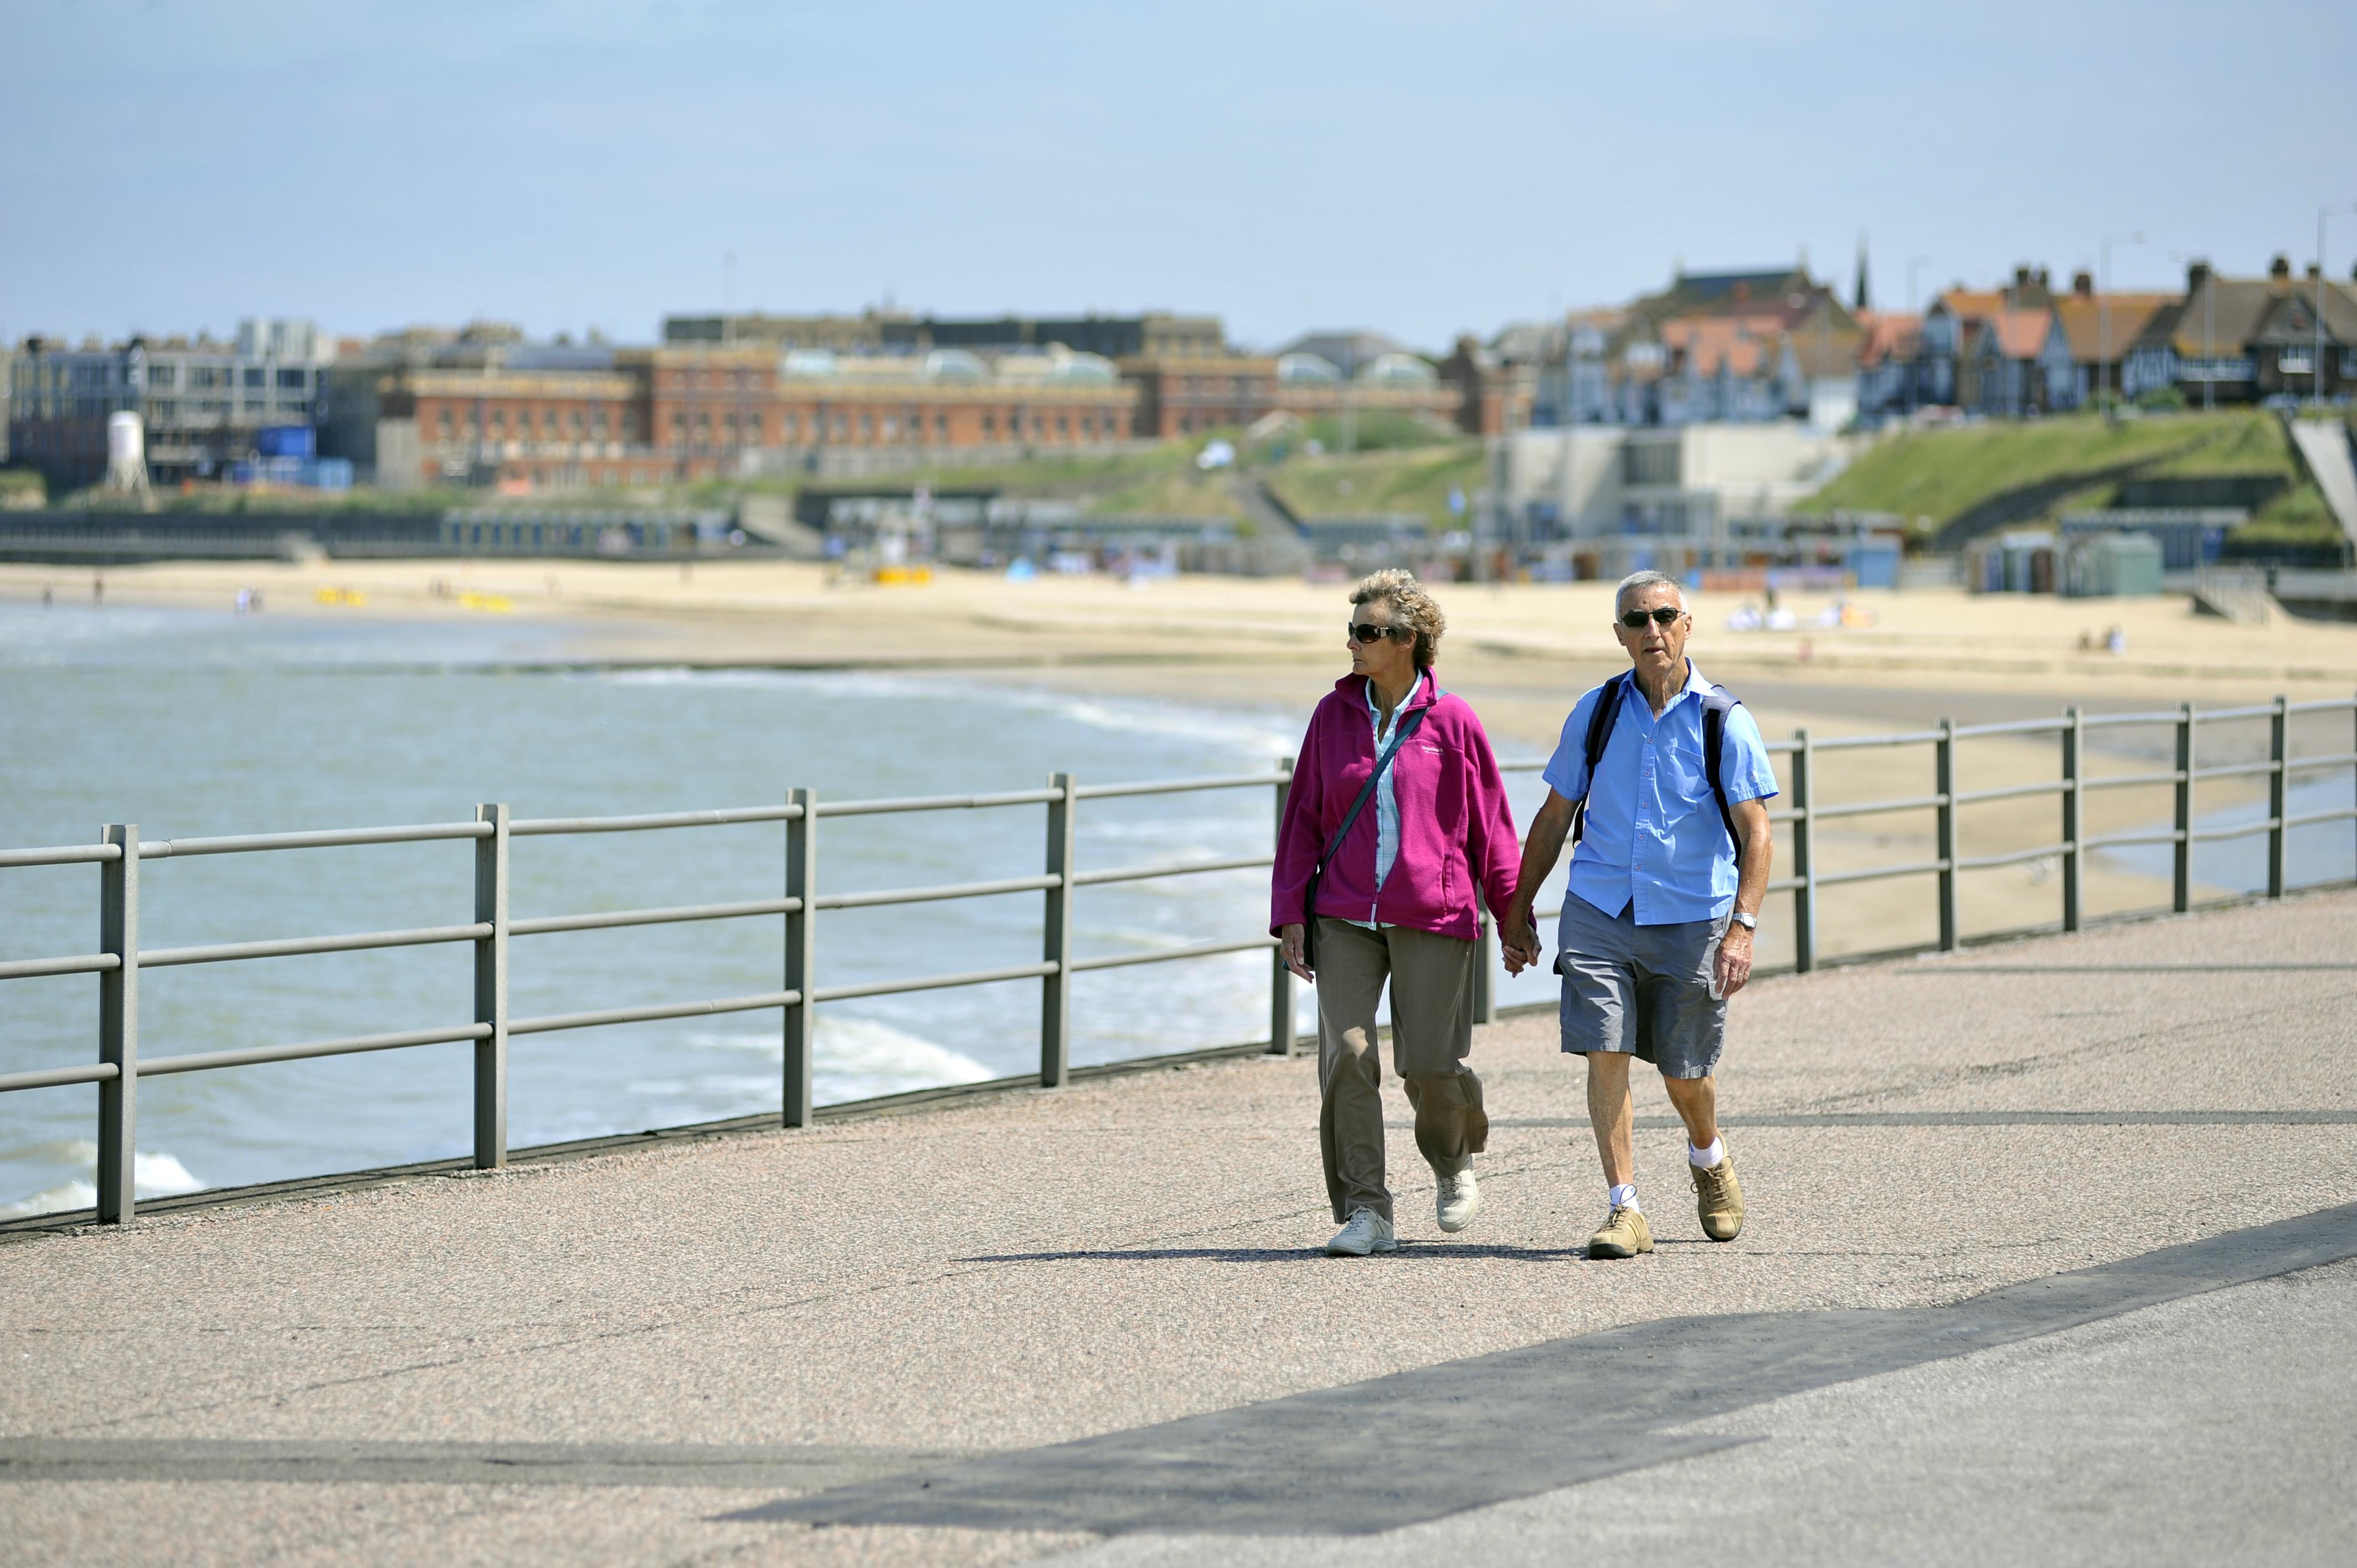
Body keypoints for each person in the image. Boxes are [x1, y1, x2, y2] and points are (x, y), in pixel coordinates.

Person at [1499, 570, 1777, 1261]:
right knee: (1606, 1052)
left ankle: (1708, 1158)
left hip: (1691, 916)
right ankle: (1624, 1208)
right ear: (1618, 633)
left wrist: (1741, 927)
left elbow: (1757, 832)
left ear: (1687, 624)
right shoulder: (1595, 712)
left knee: (1684, 1074)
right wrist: (1518, 904)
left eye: (1662, 616)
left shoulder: (1723, 719)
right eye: (1635, 620)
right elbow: (1554, 813)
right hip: (1599, 908)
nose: (1650, 631)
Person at [1272, 569, 1520, 1257]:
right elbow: (1301, 823)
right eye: (1351, 631)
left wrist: (1511, 915)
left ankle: (1452, 1161)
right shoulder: (1332, 716)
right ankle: (1366, 1210)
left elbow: (1491, 828)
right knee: (1348, 1057)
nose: (1353, 644)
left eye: (1368, 632)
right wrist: (1290, 912)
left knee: (1431, 1066)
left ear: (1409, 641)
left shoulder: (1452, 722)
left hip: (1433, 913)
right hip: (1343, 915)